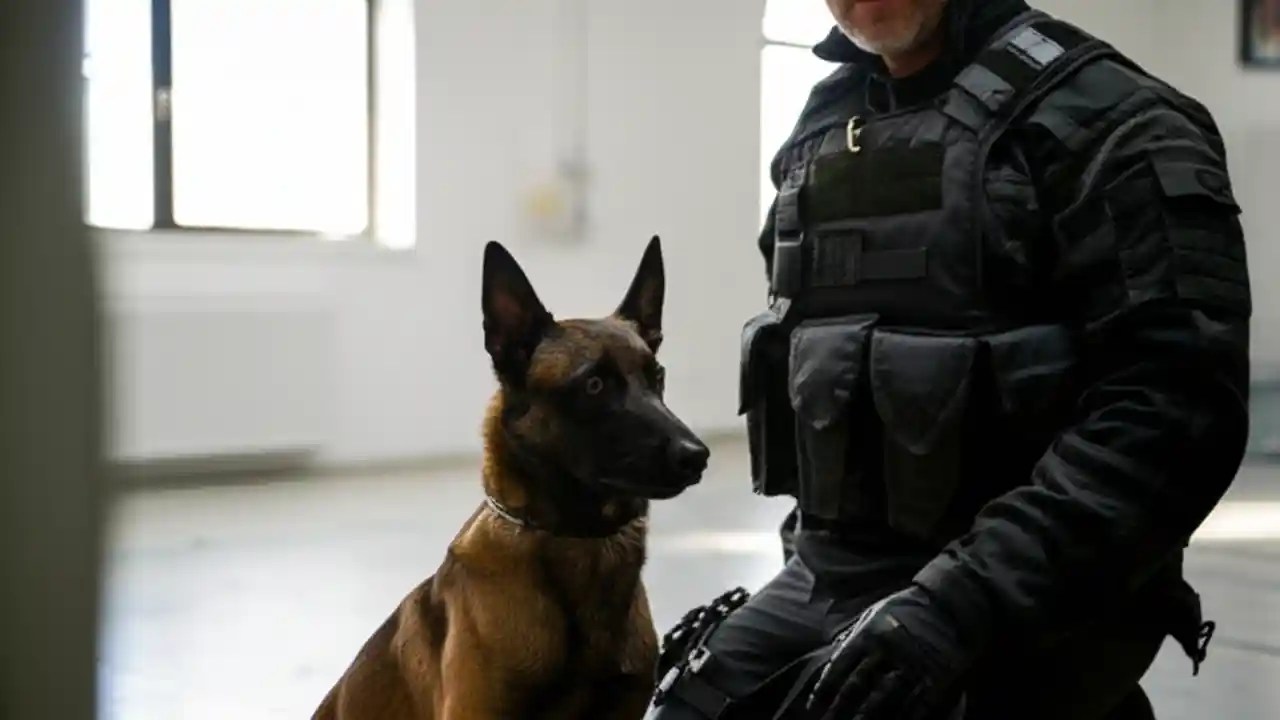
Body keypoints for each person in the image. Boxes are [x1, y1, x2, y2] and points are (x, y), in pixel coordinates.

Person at [648, 0, 1252, 719]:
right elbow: (824, 375)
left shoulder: (1113, 120)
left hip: (1035, 597)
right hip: (835, 581)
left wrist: (957, 607)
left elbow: (1175, 412)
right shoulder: (825, 127)